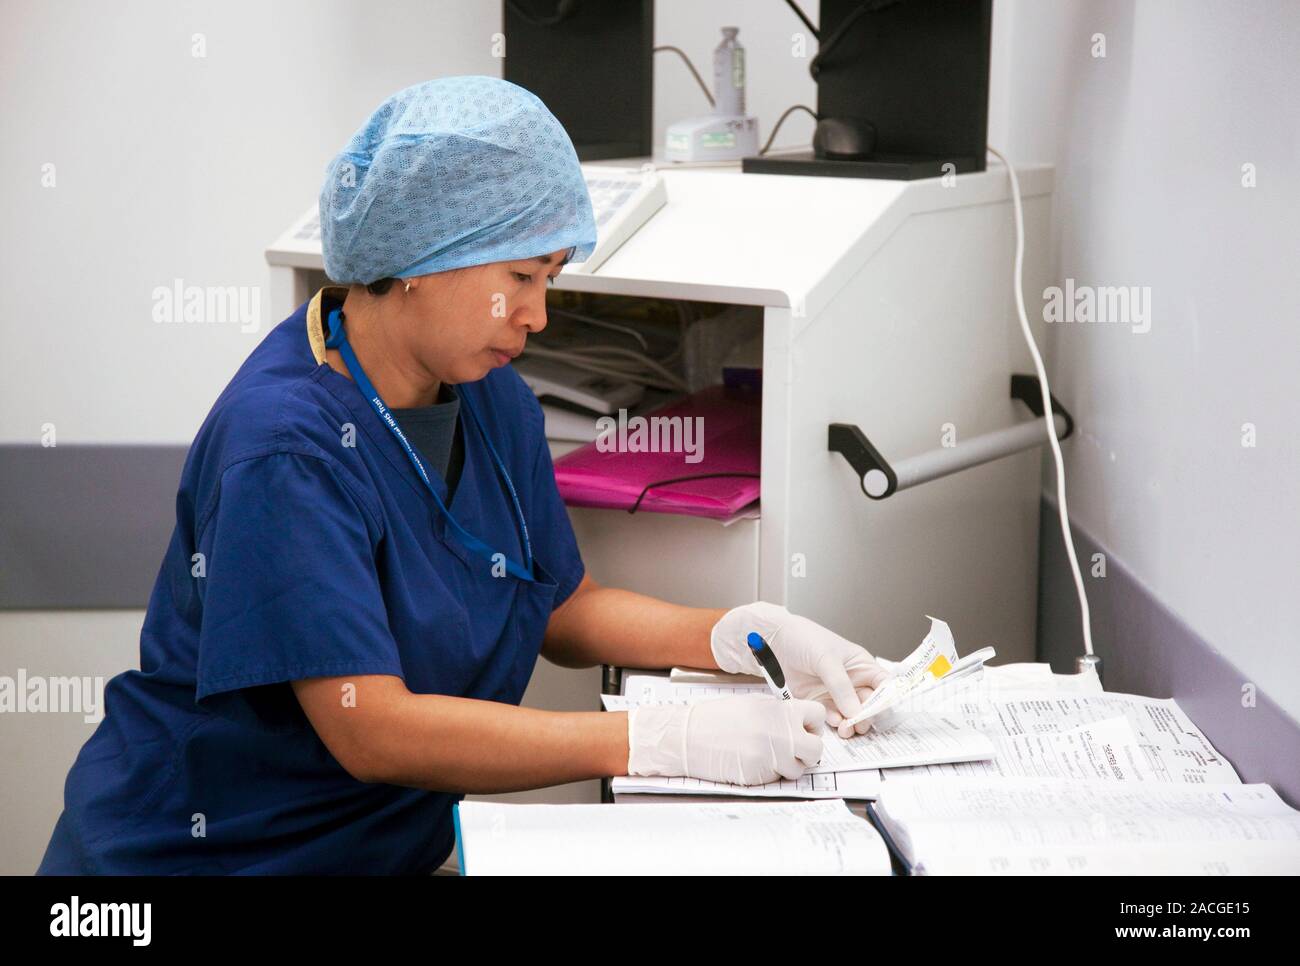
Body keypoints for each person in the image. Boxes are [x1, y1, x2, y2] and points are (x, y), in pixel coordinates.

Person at [38, 76, 889, 874]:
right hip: (203, 855)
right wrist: (657, 741)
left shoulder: (491, 400)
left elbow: (564, 605)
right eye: (519, 277)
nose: (538, 314)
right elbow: (370, 730)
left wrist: (742, 634)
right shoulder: (285, 449)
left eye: (549, 279)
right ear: (420, 255)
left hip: (370, 851)